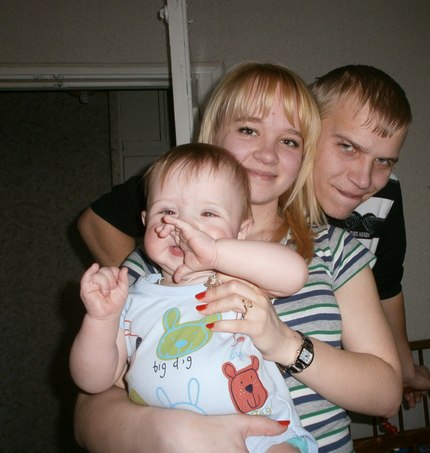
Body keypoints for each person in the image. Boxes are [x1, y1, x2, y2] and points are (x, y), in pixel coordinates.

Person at [74, 62, 402, 452]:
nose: (267, 154)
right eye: (248, 130)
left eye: (289, 141)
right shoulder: (156, 261)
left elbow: (386, 395)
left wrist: (284, 343)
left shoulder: (335, 251)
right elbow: (90, 410)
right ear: (212, 135)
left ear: (305, 155)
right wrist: (173, 433)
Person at [70, 143, 317, 453]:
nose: (183, 226)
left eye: (208, 213)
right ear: (145, 221)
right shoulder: (130, 300)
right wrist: (101, 319)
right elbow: (92, 381)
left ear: (242, 231)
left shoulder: (238, 279)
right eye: (167, 212)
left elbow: (294, 275)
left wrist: (215, 253)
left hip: (265, 436)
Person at [310, 65, 430, 407]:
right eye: (348, 147)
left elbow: (387, 285)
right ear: (307, 128)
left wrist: (404, 370)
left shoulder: (386, 194)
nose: (364, 179)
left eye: (383, 161)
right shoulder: (270, 194)